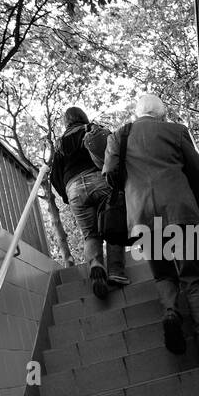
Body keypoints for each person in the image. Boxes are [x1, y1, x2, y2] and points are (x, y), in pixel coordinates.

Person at [104, 93, 199, 374]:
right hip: (179, 213)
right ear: (161, 114)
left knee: (164, 274)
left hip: (143, 218)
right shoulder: (175, 131)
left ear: (137, 113)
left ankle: (171, 313)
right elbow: (198, 176)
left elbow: (110, 176)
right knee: (192, 276)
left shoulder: (118, 137)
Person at [47, 106, 129, 299]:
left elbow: (55, 177)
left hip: (74, 189)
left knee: (90, 235)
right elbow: (112, 154)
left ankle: (96, 265)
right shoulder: (92, 129)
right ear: (82, 117)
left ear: (66, 123)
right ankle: (116, 271)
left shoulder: (59, 144)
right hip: (99, 180)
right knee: (113, 224)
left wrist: (68, 196)